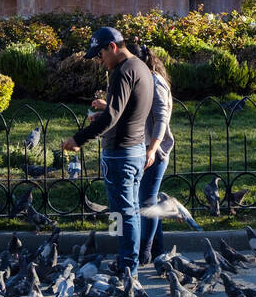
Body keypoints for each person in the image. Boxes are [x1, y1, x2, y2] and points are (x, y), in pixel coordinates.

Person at [62, 26, 153, 277]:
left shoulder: (122, 72)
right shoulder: (141, 68)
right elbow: (124, 111)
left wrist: (78, 139)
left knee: (123, 214)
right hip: (134, 150)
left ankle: (127, 266)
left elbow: (112, 117)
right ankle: (126, 260)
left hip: (119, 154)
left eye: (100, 54)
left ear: (112, 47)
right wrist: (104, 110)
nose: (100, 61)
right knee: (128, 211)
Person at [135, 44, 174, 266]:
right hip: (144, 150)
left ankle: (144, 253)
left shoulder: (155, 82)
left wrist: (152, 148)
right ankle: (158, 249)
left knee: (147, 202)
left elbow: (161, 119)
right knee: (149, 199)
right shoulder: (143, 81)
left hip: (155, 152)